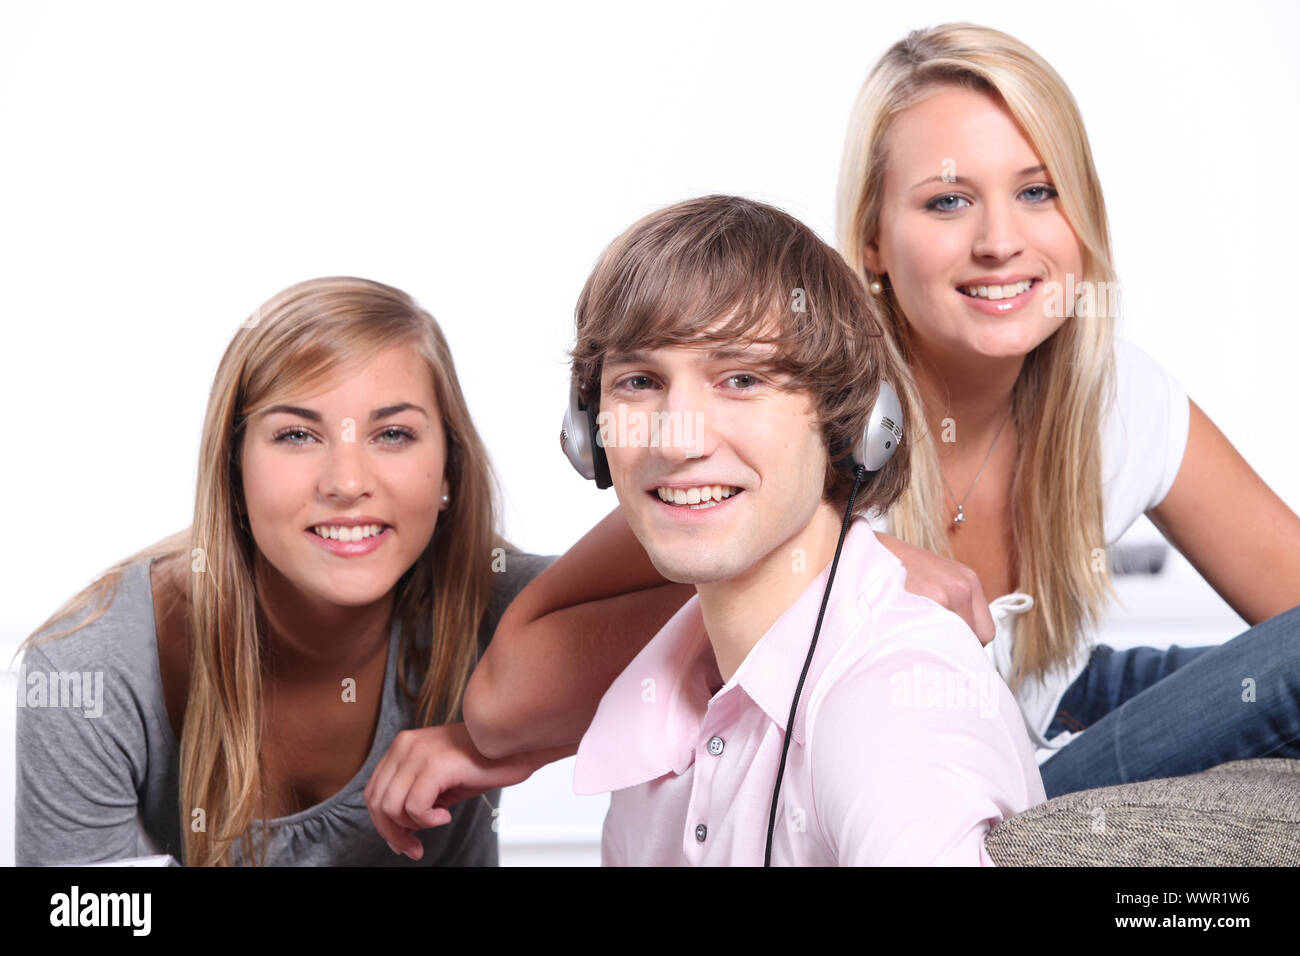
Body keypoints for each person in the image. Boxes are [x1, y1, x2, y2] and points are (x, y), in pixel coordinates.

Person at [832, 22, 1300, 795]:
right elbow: (629, 594)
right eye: (948, 201)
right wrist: (838, 570)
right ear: (873, 240)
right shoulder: (801, 412)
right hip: (967, 799)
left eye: (1036, 191)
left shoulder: (1111, 394)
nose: (1000, 242)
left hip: (1045, 704)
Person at [14, 276, 579, 866]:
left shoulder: (495, 602)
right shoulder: (90, 666)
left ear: (448, 471)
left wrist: (511, 748)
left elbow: (679, 595)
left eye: (392, 434)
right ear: (233, 473)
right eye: (296, 435)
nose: (346, 482)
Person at [562, 194, 1042, 864]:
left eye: (740, 378)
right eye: (640, 381)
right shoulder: (656, 727)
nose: (677, 439)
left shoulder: (892, 704)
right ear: (589, 437)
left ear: (849, 427)